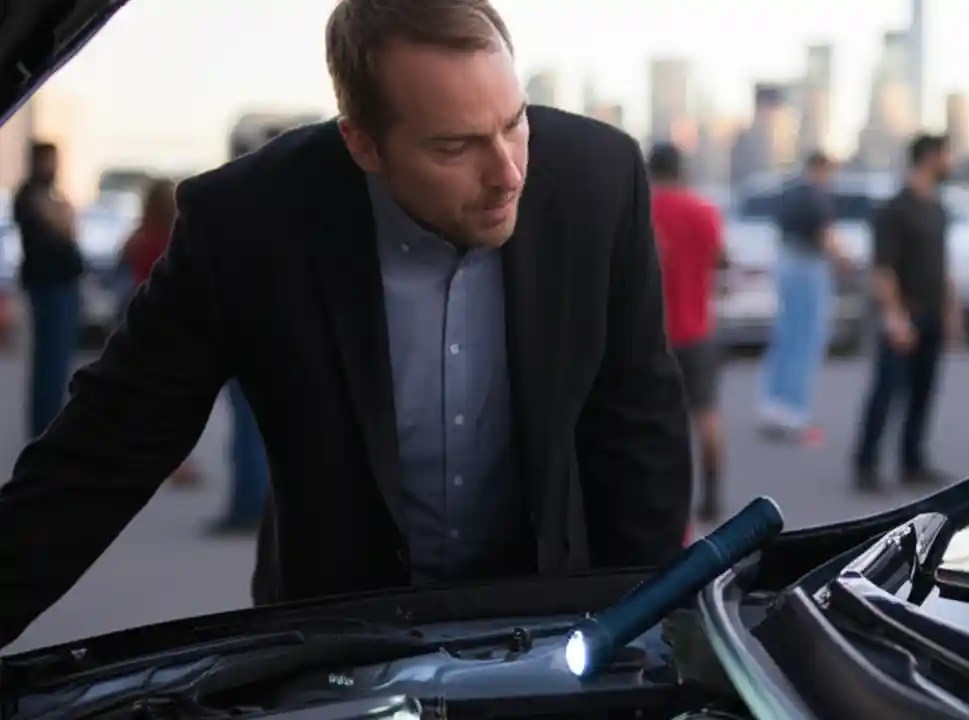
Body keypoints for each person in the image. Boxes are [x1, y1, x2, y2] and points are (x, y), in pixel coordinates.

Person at [0, 0, 691, 646]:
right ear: (362, 144)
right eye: (454, 148)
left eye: (514, 123)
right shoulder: (243, 224)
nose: (508, 173)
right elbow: (104, 450)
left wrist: (650, 635)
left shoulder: (599, 179)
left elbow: (639, 431)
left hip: (552, 628)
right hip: (332, 641)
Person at [852, 134, 963, 490]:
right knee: (887, 392)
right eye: (947, 155)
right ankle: (866, 466)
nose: (951, 162)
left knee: (923, 392)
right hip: (904, 315)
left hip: (932, 313)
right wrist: (895, 317)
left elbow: (943, 265)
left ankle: (912, 462)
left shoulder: (938, 208)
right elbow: (883, 269)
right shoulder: (894, 209)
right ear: (930, 158)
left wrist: (951, 309)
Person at [647, 142, 726, 522]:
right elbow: (722, 258)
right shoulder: (704, 210)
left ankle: (664, 500)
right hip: (699, 330)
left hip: (654, 334)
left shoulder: (644, 211)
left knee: (657, 421)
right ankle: (712, 496)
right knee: (706, 415)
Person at [757, 151, 849, 446]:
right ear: (822, 168)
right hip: (808, 267)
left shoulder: (790, 193)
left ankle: (773, 406)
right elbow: (827, 237)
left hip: (787, 263)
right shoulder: (815, 197)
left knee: (786, 336)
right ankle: (795, 412)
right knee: (807, 340)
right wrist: (848, 263)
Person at [120, 179, 202, 488]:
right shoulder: (176, 237)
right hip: (174, 324)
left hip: (141, 318)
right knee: (177, 400)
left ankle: (151, 457)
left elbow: (125, 263)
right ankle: (178, 462)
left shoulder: (140, 238)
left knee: (146, 395)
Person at [12, 141, 83, 440]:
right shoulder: (29, 195)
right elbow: (60, 221)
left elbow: (67, 220)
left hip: (63, 284)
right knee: (48, 363)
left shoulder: (48, 196)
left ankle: (50, 425)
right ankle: (44, 429)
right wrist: (61, 213)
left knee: (59, 361)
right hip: (47, 286)